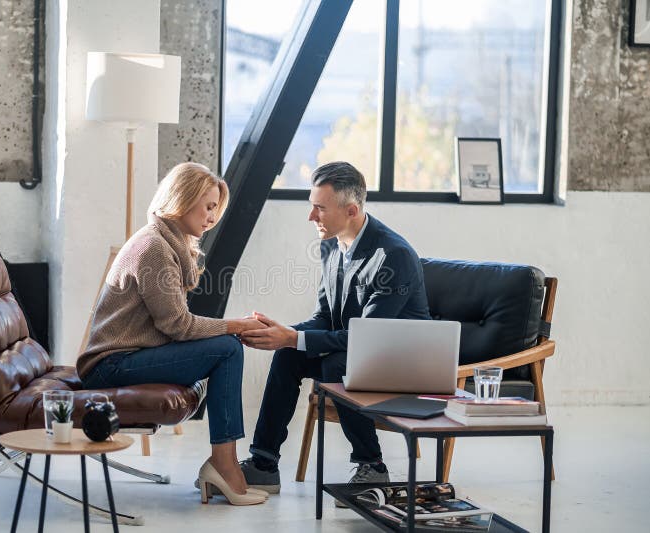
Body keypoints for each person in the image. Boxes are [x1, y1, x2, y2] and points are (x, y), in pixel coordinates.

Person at [78, 162, 268, 506]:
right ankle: (223, 464)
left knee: (228, 346)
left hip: (128, 357)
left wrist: (233, 328)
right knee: (228, 347)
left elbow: (174, 323)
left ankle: (222, 463)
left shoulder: (167, 241)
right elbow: (177, 325)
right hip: (110, 366)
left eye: (216, 209)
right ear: (184, 197)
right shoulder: (154, 248)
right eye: (208, 205)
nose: (212, 217)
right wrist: (235, 325)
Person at [239, 161, 431, 499]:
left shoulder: (393, 255)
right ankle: (263, 465)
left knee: (335, 364)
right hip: (359, 354)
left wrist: (294, 337)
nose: (311, 217)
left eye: (319, 208)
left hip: (405, 363)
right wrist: (282, 334)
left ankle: (373, 466)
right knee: (288, 354)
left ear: (351, 210)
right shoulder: (332, 244)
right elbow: (326, 318)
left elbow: (367, 339)